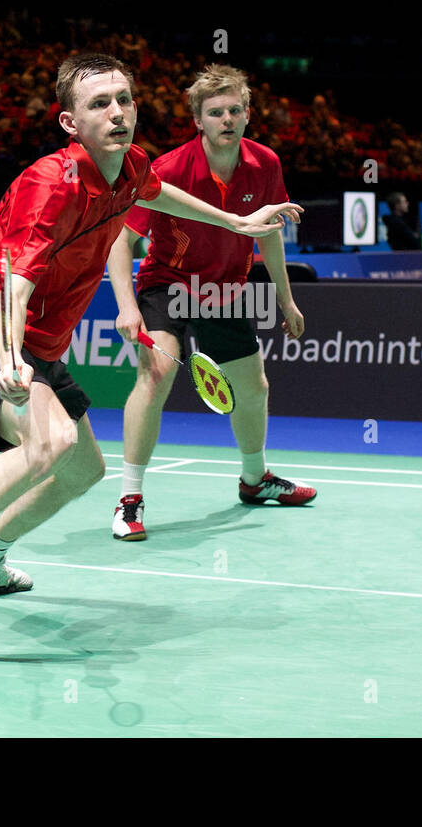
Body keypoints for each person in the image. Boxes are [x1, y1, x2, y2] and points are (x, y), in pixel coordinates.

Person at [0, 54, 301, 656]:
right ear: (70, 122)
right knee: (51, 444)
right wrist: (13, 357)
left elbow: (161, 194)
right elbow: (11, 287)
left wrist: (236, 221)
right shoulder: (52, 184)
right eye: (100, 104)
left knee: (83, 470)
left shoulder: (131, 169)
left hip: (39, 348)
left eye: (124, 99)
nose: (117, 112)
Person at [107, 65, 316, 541]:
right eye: (215, 112)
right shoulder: (168, 169)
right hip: (168, 283)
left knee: (254, 386)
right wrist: (126, 304)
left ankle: (255, 479)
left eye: (234, 110)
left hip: (226, 288)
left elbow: (269, 236)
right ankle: (129, 499)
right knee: (155, 373)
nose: (227, 119)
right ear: (198, 120)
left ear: (247, 115)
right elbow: (120, 240)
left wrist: (286, 300)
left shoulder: (265, 164)